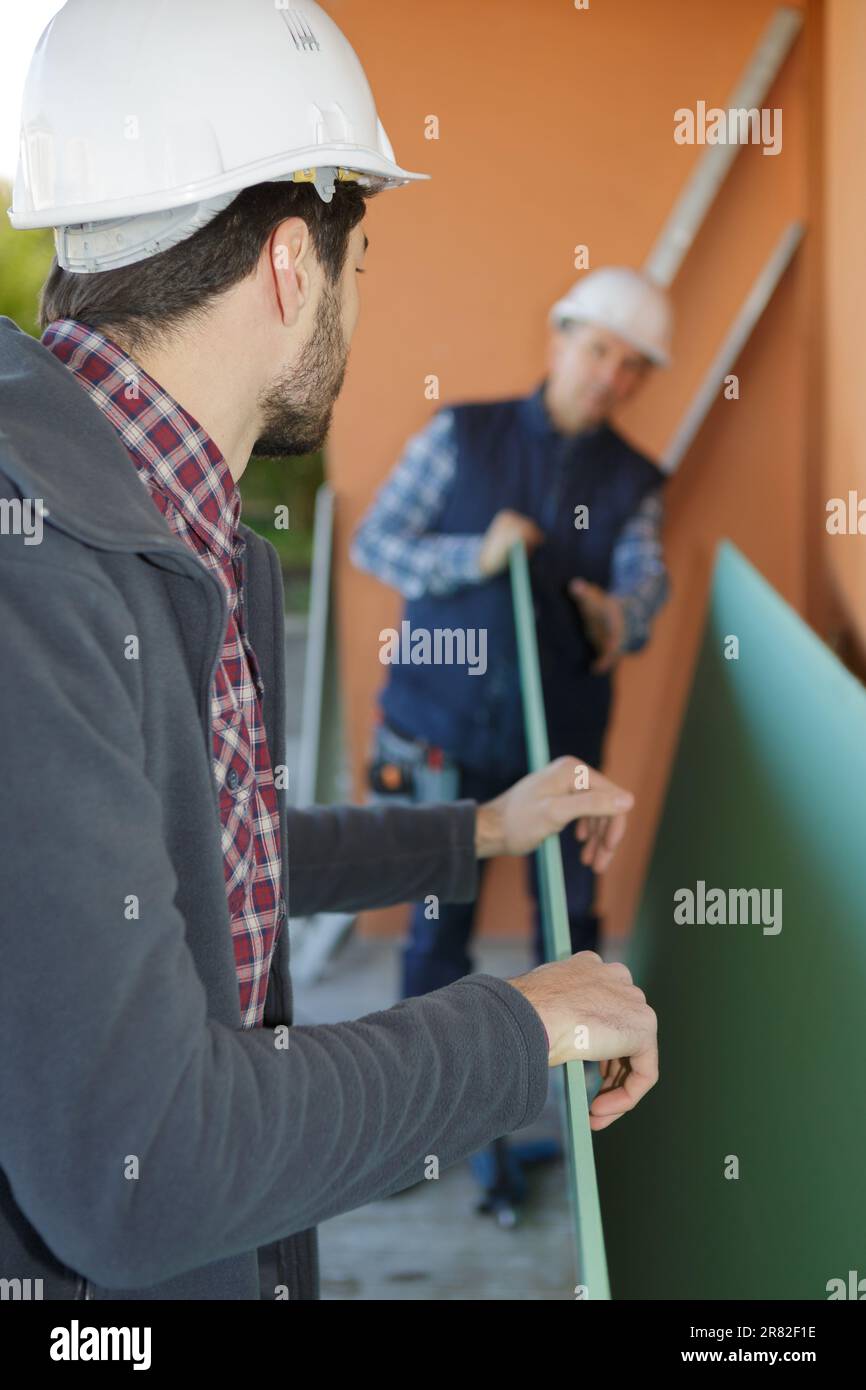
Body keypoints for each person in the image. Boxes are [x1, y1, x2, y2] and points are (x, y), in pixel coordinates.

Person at [0, 0, 657, 1301]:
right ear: (295, 264)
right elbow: (151, 1165)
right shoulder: (45, 568)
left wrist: (468, 833)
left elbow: (197, 856)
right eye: (362, 267)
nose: (361, 303)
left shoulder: (179, 528)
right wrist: (518, 1023)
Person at [352, 266, 673, 996]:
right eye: (598, 351)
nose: (611, 378)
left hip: (562, 744)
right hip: (443, 730)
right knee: (438, 924)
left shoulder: (635, 481)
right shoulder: (461, 432)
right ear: (559, 340)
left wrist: (622, 618)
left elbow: (647, 578)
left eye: (633, 368)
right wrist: (477, 553)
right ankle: (435, 1096)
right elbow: (373, 543)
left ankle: (583, 1099)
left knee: (572, 924)